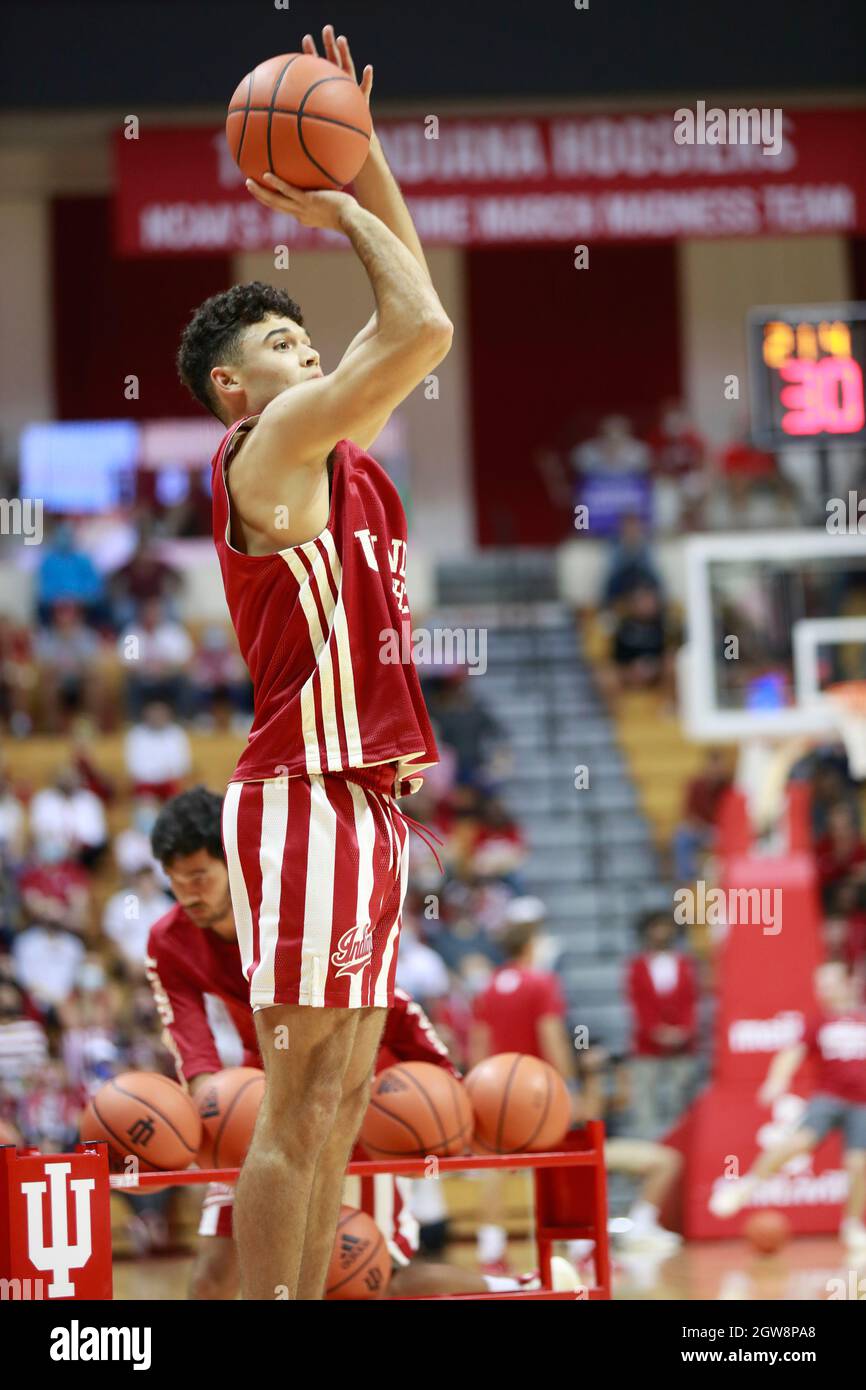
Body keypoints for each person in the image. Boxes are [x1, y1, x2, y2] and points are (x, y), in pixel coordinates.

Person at [174, 25, 450, 1302]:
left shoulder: (343, 453)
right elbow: (422, 322)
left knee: (337, 1093)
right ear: (233, 388)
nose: (307, 353)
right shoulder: (267, 448)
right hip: (300, 794)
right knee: (298, 1097)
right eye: (283, 345)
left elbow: (403, 325)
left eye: (307, 342)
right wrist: (341, 195)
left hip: (367, 800)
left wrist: (364, 151)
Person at [146, 787, 578, 1298]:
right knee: (212, 1278)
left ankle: (527, 1290)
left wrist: (446, 1081)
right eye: (175, 881)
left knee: (368, 1281)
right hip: (262, 1097)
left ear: (235, 861)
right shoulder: (169, 939)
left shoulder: (293, 912)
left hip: (359, 1093)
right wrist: (210, 1112)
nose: (188, 893)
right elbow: (188, 1037)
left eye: (199, 876)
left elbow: (384, 1000)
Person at [709, 961, 866, 1250]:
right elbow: (791, 1053)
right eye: (820, 985)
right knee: (797, 1143)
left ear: (848, 983)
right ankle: (747, 1185)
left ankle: (852, 1224)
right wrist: (776, 1080)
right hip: (829, 1097)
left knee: (859, 1164)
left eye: (829, 983)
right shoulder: (819, 1021)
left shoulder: (861, 1019)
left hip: (862, 1103)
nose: (823, 991)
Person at [468, 901, 576, 1273]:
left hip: (495, 1085)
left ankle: (490, 1251)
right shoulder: (542, 982)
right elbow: (551, 1036)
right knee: (559, 1166)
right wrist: (566, 1079)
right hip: (535, 1088)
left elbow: (478, 1042)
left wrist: (478, 1089)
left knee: (495, 1169)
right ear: (531, 945)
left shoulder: (489, 986)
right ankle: (576, 1248)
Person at [625, 911, 698, 1140]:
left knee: (683, 1104)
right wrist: (654, 1031)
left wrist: (683, 1031)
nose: (661, 933)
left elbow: (690, 1001)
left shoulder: (686, 964)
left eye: (665, 927)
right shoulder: (637, 966)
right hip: (647, 1046)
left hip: (683, 1045)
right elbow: (638, 1003)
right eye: (656, 927)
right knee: (645, 1106)